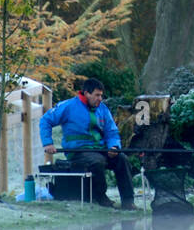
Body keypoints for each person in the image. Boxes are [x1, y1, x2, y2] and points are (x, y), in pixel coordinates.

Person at [39, 77, 135, 210]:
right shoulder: (68, 106)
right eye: (97, 95)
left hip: (101, 149)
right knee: (97, 161)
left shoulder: (103, 109)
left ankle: (128, 201)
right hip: (77, 152)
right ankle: (100, 197)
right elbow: (45, 120)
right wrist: (48, 143)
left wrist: (114, 147)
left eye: (101, 95)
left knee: (122, 159)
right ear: (86, 93)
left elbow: (112, 132)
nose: (100, 98)